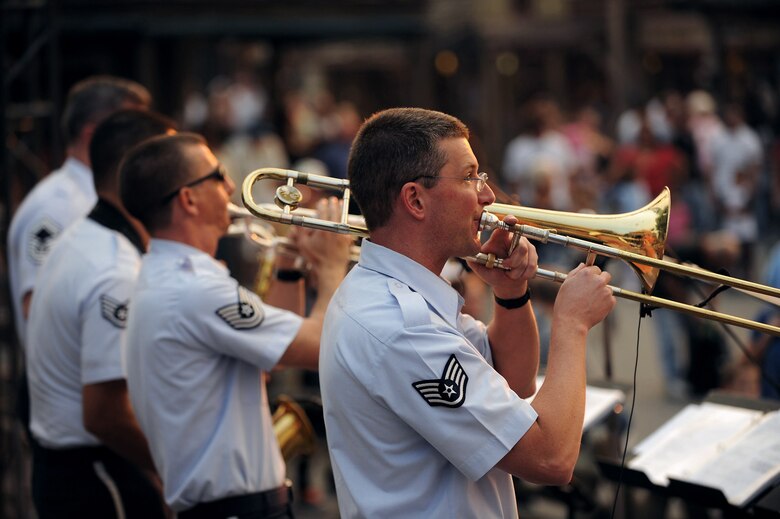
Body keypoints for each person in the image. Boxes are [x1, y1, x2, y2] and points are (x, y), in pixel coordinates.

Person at [319, 107, 616, 518]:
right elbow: (550, 458)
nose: (488, 195)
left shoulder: (399, 293)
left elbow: (513, 381)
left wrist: (510, 294)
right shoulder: (402, 327)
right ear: (415, 199)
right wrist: (572, 324)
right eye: (469, 177)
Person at [119, 132, 351, 517]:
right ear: (188, 199)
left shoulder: (170, 277)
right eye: (218, 175)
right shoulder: (195, 288)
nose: (230, 185)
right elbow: (319, 346)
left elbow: (278, 355)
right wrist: (331, 267)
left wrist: (289, 266)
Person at [25, 109, 175, 518]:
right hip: (97, 475)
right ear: (141, 175)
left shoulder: (84, 237)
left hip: (74, 469)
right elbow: (105, 415)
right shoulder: (112, 269)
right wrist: (176, 469)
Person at [7, 75, 151, 346]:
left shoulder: (94, 193)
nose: (146, 140)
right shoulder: (56, 204)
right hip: (84, 367)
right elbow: (36, 305)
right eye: (132, 128)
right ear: (93, 135)